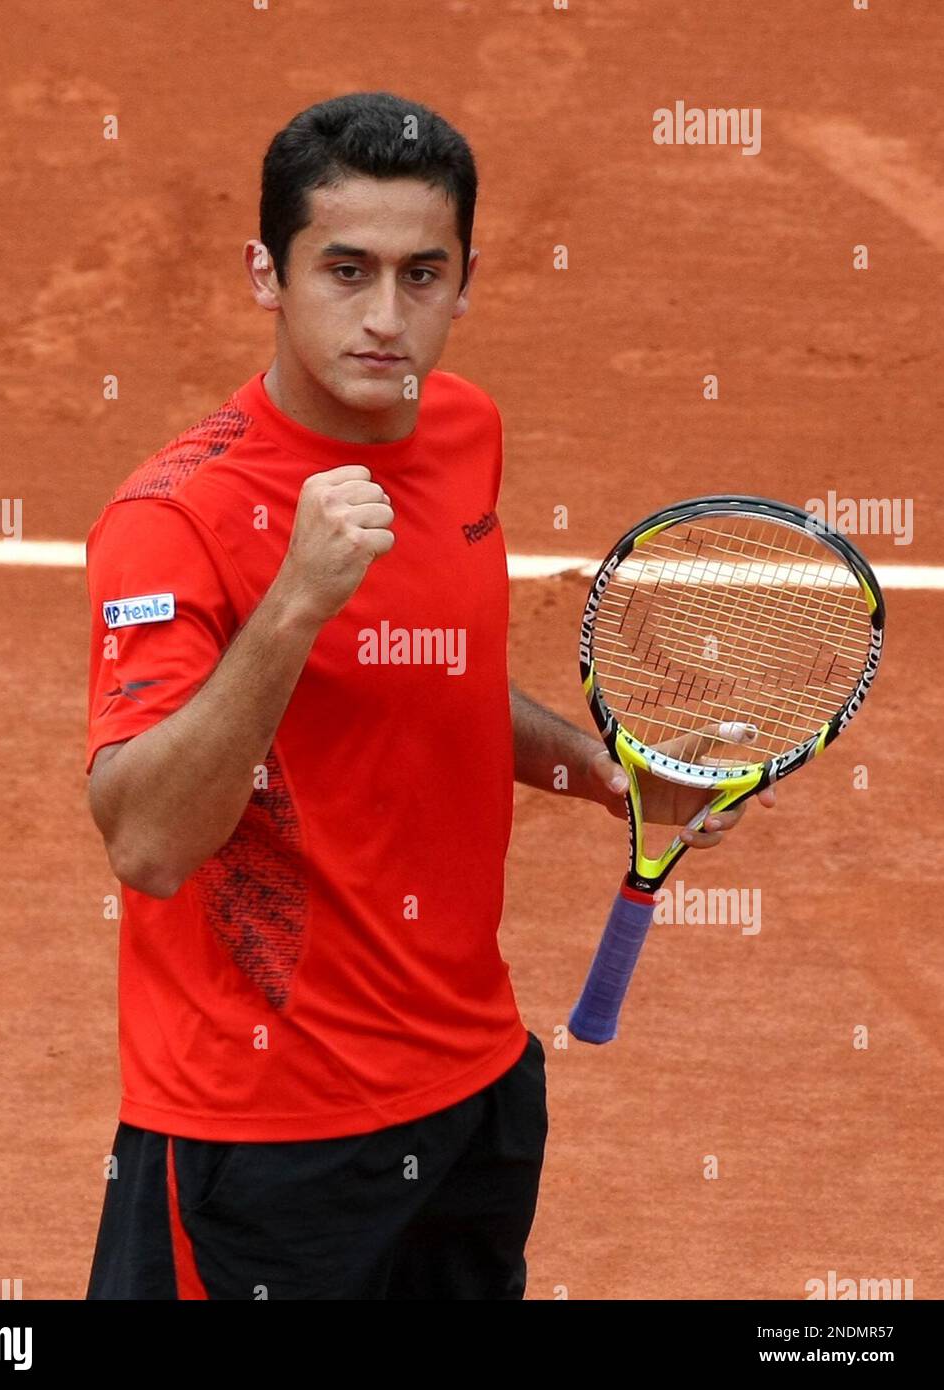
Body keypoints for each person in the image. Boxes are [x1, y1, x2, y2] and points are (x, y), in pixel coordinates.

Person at [83, 91, 773, 1301]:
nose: (384, 318)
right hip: (264, 1134)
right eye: (344, 270)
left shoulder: (461, 428)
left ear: (466, 282)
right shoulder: (174, 518)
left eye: (422, 275)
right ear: (266, 273)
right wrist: (294, 605)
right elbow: (145, 841)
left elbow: (429, 681)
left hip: (472, 1096)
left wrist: (601, 772)